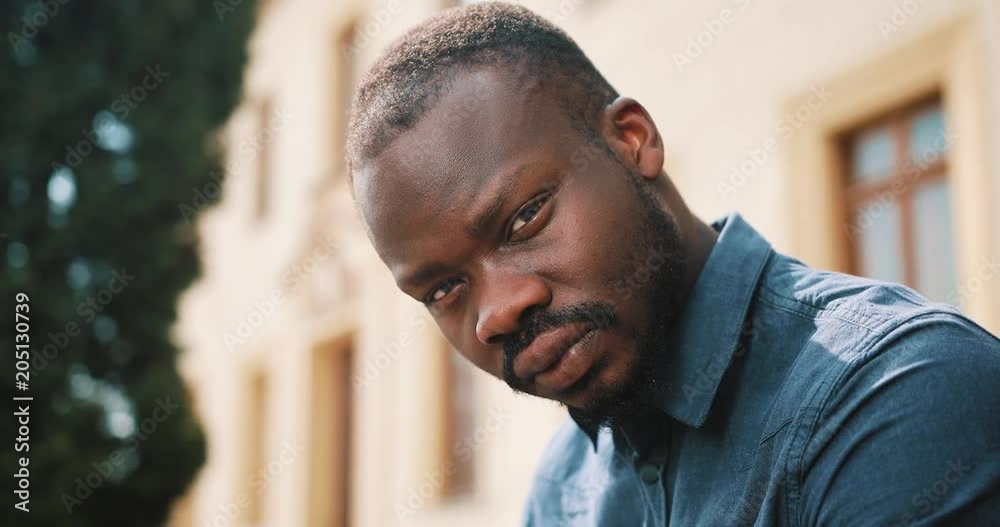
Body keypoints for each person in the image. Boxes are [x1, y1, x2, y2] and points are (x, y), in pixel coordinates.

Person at [345, 2, 1000, 525]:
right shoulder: (564, 485)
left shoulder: (899, 397)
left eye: (524, 217)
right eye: (444, 288)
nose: (496, 312)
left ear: (633, 140)